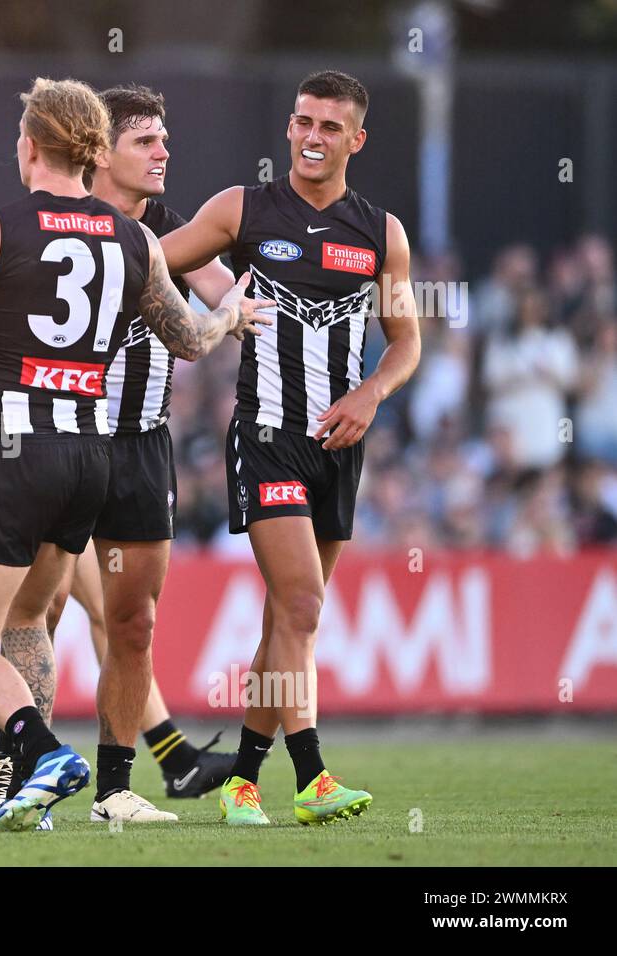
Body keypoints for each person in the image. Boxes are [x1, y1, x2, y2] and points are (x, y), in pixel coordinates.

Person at [0, 77, 269, 831]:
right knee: (27, 624)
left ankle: (42, 751)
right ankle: (31, 801)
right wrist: (231, 312)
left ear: (34, 145)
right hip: (92, 453)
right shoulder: (135, 239)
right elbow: (191, 339)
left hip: (18, 444)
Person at [158, 69, 421, 825]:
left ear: (356, 140)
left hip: (339, 447)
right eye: (303, 122)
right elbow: (151, 261)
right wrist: (203, 320)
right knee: (303, 603)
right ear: (289, 127)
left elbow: (406, 343)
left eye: (329, 127)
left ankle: (242, 783)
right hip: (267, 436)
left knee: (287, 620)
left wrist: (370, 394)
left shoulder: (382, 233)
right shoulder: (242, 209)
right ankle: (312, 778)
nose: (311, 137)